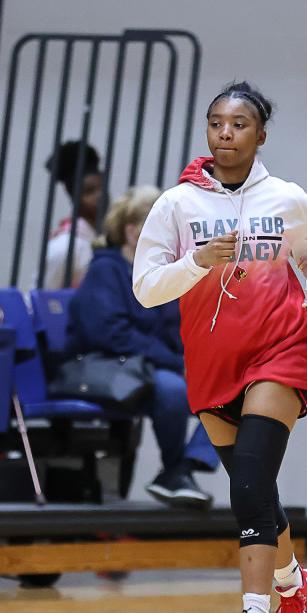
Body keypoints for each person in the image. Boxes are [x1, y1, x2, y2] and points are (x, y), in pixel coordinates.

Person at [133, 81, 307, 613]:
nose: (226, 133)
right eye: (216, 123)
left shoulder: (288, 198)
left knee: (248, 478)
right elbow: (146, 289)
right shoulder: (176, 205)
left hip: (277, 349)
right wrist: (198, 261)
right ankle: (293, 584)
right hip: (212, 361)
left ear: (260, 134)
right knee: (257, 489)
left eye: (239, 124)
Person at [66, 186, 218, 509]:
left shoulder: (162, 272)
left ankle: (183, 468)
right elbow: (109, 335)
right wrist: (176, 363)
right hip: (109, 364)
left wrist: (197, 359)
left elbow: (176, 329)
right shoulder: (105, 270)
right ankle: (176, 471)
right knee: (174, 388)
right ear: (132, 231)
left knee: (228, 388)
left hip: (147, 364)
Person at [42, 140, 103, 289]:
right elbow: (47, 295)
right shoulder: (65, 246)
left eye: (102, 186)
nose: (99, 195)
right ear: (74, 198)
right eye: (89, 191)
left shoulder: (109, 236)